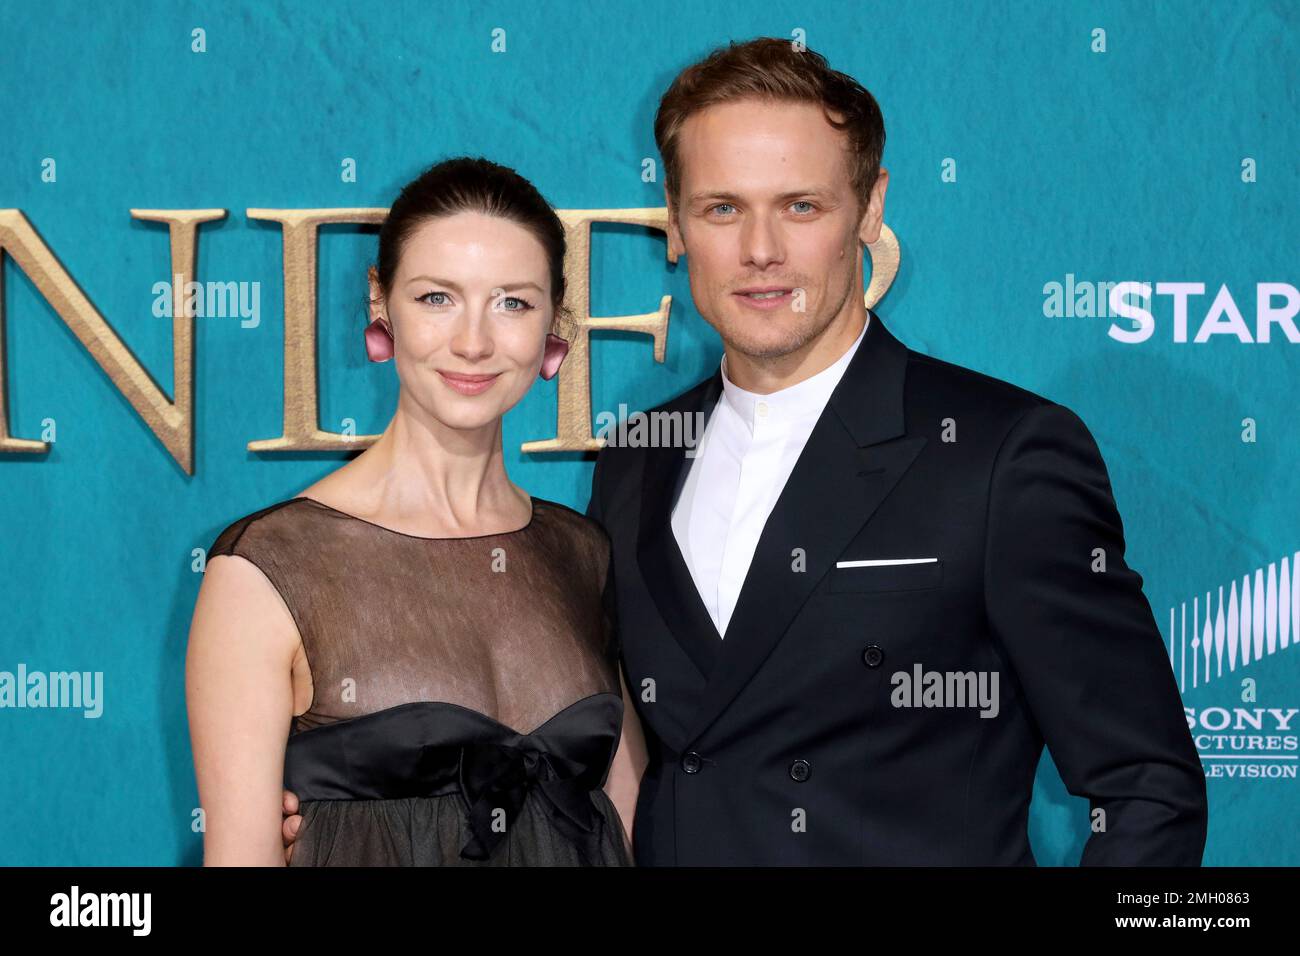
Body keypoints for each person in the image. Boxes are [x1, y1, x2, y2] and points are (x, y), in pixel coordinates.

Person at [283, 37, 1208, 867]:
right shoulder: (639, 459)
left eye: (800, 205)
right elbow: (603, 751)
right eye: (722, 208)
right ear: (676, 226)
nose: (760, 250)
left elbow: (1150, 790)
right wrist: (353, 810)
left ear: (869, 207)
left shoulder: (1003, 454)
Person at [186, 156, 646, 866]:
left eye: (512, 303)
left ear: (557, 321)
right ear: (381, 303)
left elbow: (624, 823)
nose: (473, 341)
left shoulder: (585, 555)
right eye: (437, 298)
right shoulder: (266, 570)